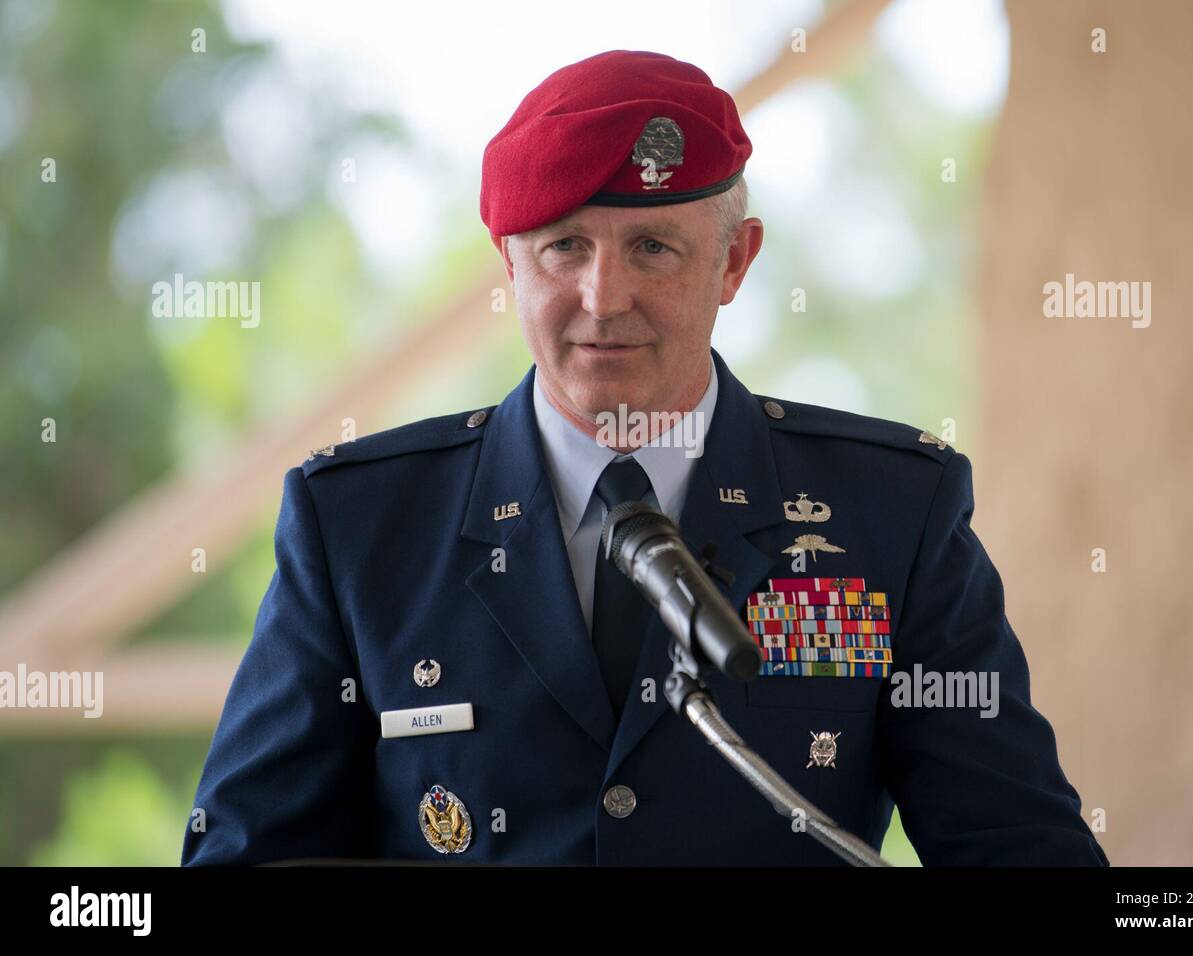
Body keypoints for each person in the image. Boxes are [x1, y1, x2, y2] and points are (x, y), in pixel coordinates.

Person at [182, 49, 1108, 866]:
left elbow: (1017, 847)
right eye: (564, 247)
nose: (603, 295)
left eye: (653, 247)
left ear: (735, 263)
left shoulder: (891, 515)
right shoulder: (359, 528)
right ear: (509, 265)